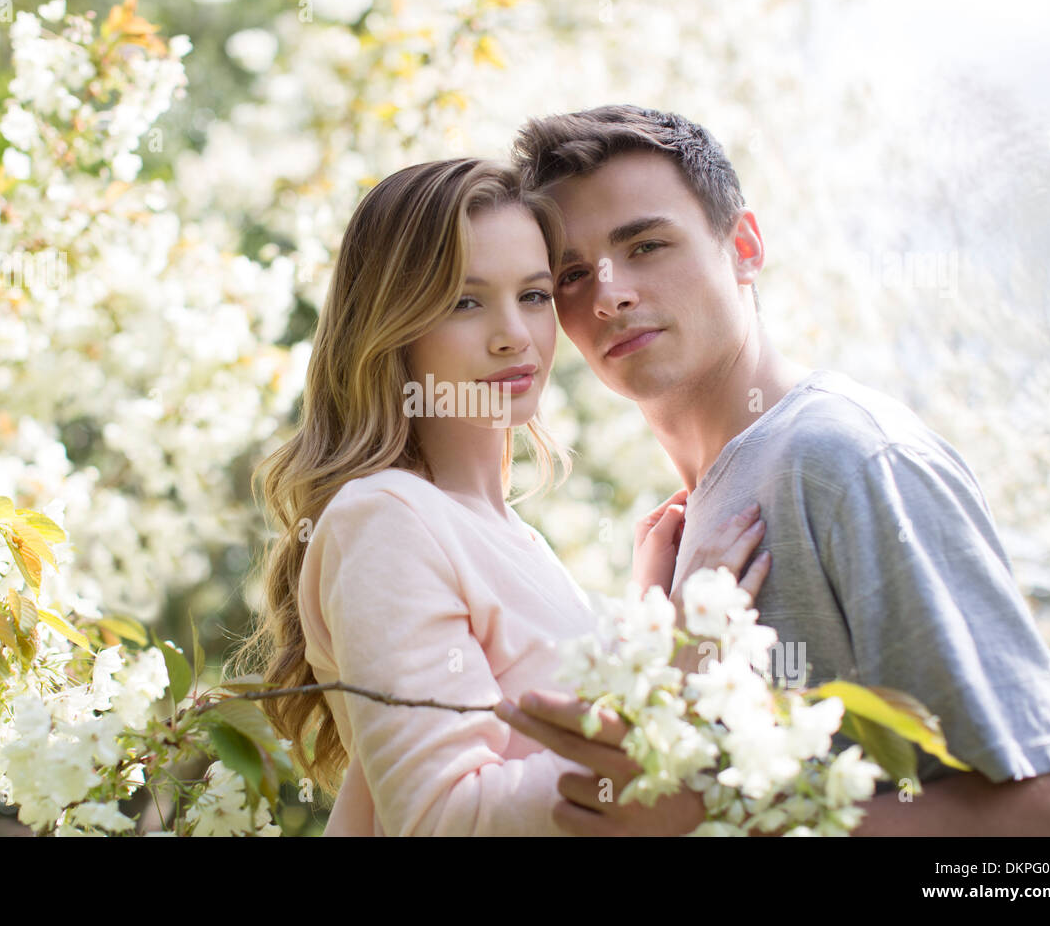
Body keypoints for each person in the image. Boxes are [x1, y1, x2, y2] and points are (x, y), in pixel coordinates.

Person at [495, 104, 1050, 835]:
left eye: (648, 246)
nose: (609, 293)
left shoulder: (844, 456)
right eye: (569, 274)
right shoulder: (686, 533)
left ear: (745, 245)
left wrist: (722, 828)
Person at [237, 157, 770, 836]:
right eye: (465, 301)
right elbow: (441, 817)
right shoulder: (384, 519)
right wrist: (672, 672)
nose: (512, 335)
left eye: (535, 295)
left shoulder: (514, 536)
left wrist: (645, 621)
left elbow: (536, 728)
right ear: (392, 326)